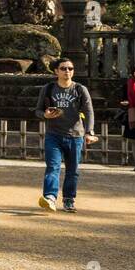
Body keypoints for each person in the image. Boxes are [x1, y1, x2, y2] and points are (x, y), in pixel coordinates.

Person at [37, 58, 97, 213]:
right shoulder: (48, 88)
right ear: (56, 71)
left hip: (75, 135)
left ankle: (69, 199)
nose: (67, 71)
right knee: (53, 167)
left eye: (70, 68)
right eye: (63, 68)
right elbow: (37, 110)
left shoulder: (80, 89)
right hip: (54, 135)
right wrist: (45, 115)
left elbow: (89, 111)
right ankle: (50, 197)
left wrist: (89, 132)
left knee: (73, 170)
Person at [120, 62, 135, 172]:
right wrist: (124, 103)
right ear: (133, 73)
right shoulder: (128, 84)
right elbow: (122, 98)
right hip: (133, 116)